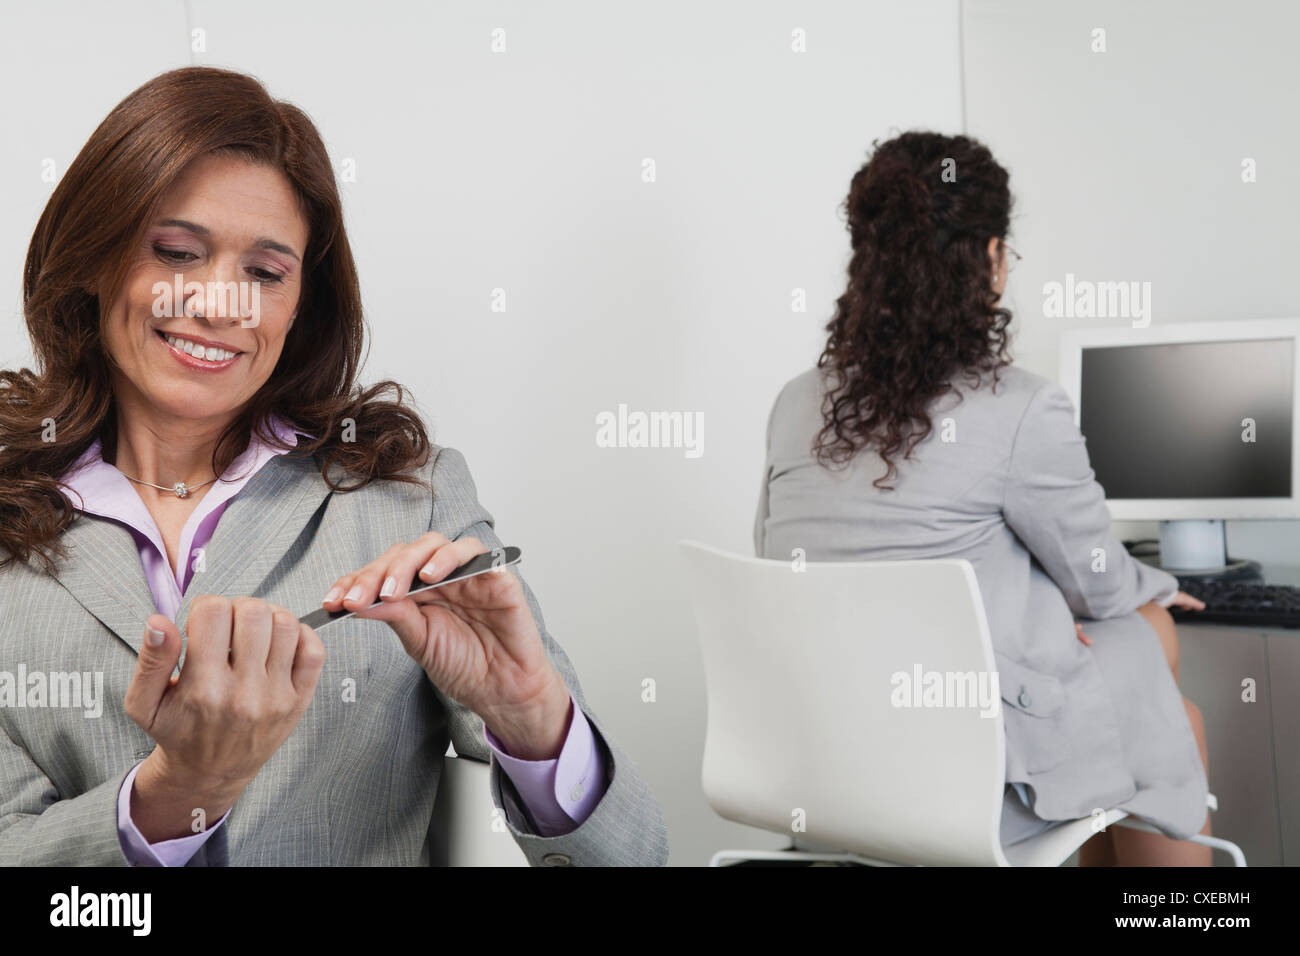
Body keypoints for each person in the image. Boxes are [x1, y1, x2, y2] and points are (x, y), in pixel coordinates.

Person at [0, 66, 668, 866]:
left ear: (301, 303)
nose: (222, 305)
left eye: (265, 273)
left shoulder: (406, 502)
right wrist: (178, 796)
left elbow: (634, 859)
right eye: (177, 253)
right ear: (94, 259)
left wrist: (531, 715)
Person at [754, 131, 1212, 865]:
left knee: (1139, 686)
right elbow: (1097, 584)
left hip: (832, 757)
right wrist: (1153, 585)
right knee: (1155, 643)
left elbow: (779, 570)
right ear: (991, 259)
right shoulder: (1021, 409)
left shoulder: (795, 405)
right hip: (967, 764)